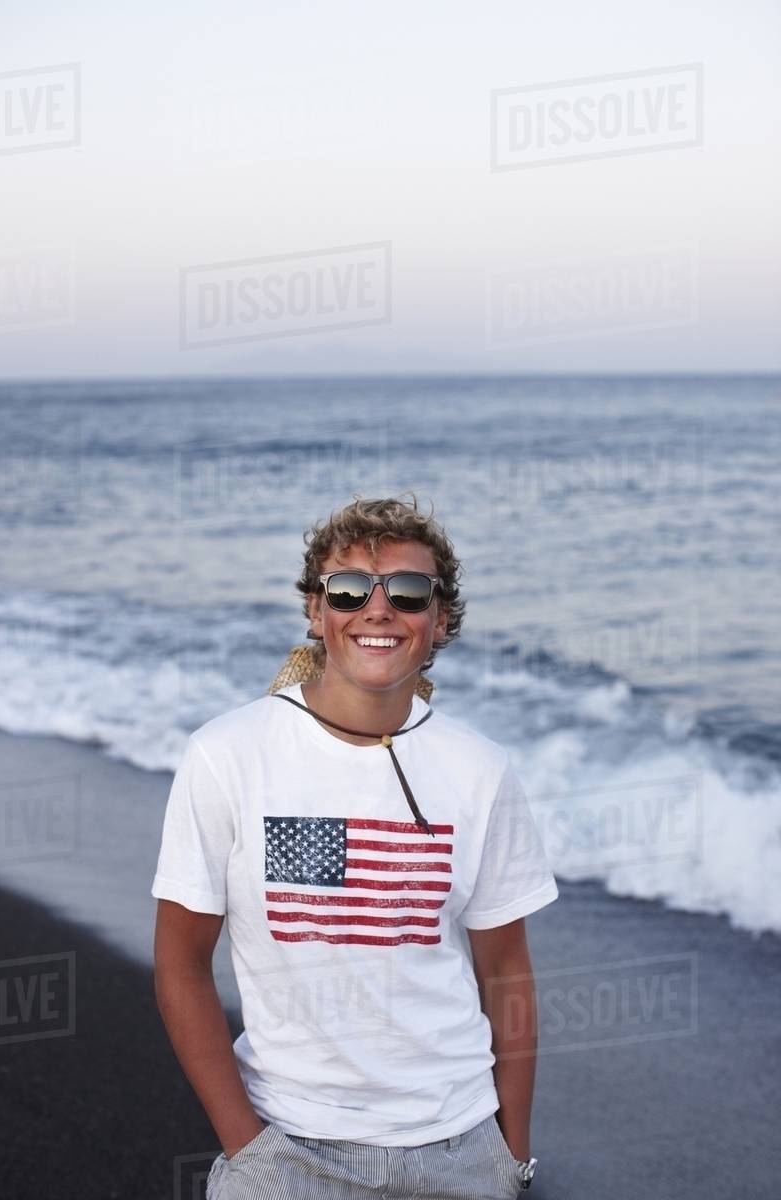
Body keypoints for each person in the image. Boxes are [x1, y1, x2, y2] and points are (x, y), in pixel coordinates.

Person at [151, 494, 559, 1199]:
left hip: (458, 1146)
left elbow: (507, 974)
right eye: (348, 590)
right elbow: (181, 962)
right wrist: (244, 1146)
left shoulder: (480, 770)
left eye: (407, 592)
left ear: (439, 620)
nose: (378, 610)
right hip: (285, 1144)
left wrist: (510, 1155)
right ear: (316, 611)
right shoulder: (228, 755)